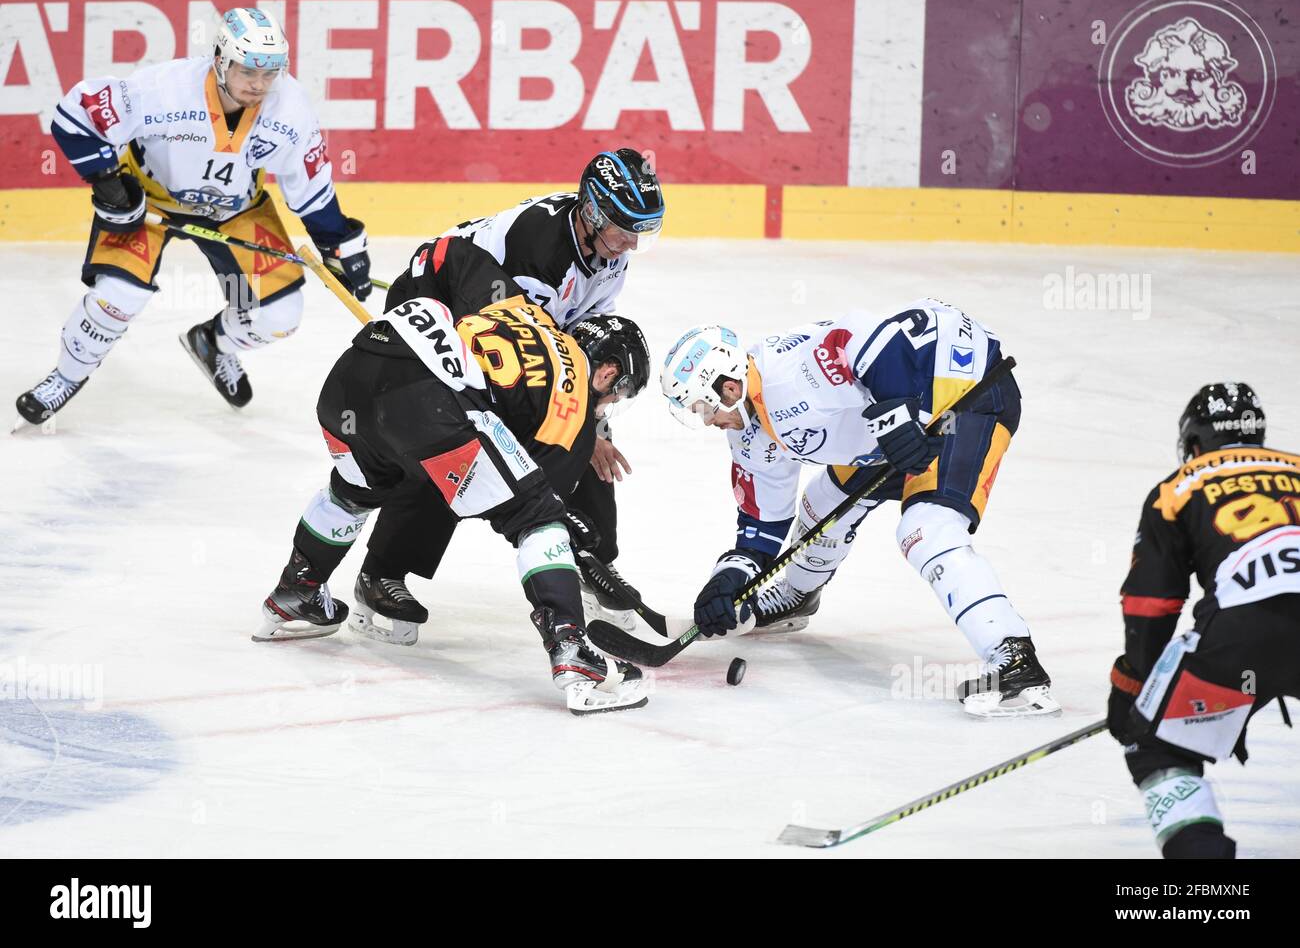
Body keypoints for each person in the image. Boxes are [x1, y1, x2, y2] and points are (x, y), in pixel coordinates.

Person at [258, 233, 649, 714]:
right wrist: (572, 542)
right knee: (537, 517)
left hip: (352, 377)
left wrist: (409, 323)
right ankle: (574, 656)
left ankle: (297, 590)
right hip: (428, 408)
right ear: (607, 373)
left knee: (354, 490)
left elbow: (442, 251)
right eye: (617, 392)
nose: (608, 403)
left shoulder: (520, 308)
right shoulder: (574, 400)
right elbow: (527, 503)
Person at [661, 301, 1055, 717]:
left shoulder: (790, 374)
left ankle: (1014, 659)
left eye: (703, 408)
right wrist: (727, 581)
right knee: (821, 502)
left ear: (728, 387)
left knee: (926, 528)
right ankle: (796, 595)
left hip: (963, 390)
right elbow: (761, 528)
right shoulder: (748, 435)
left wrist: (895, 419)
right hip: (897, 418)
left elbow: (862, 334)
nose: (706, 421)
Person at [353, 148, 663, 633]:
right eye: (624, 230)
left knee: (582, 441)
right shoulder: (537, 248)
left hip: (510, 328)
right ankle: (381, 573)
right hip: (441, 301)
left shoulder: (608, 255)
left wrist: (592, 427)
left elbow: (574, 347)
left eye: (640, 232)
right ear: (594, 211)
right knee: (457, 442)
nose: (631, 245)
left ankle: (593, 558)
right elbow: (522, 347)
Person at [15, 7, 371, 425]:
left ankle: (213, 343)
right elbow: (75, 115)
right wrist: (110, 184)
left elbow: (310, 187)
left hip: (236, 210)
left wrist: (339, 246)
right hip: (150, 202)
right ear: (221, 59)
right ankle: (65, 376)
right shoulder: (166, 89)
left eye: (269, 73)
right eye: (247, 71)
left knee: (281, 316)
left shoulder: (289, 109)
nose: (258, 85)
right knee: (116, 298)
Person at [1108, 382, 1299, 858]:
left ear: (1194, 442)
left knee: (1158, 749)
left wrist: (1135, 688)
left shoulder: (1180, 486)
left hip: (1244, 632)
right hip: (1254, 629)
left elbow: (1151, 604)